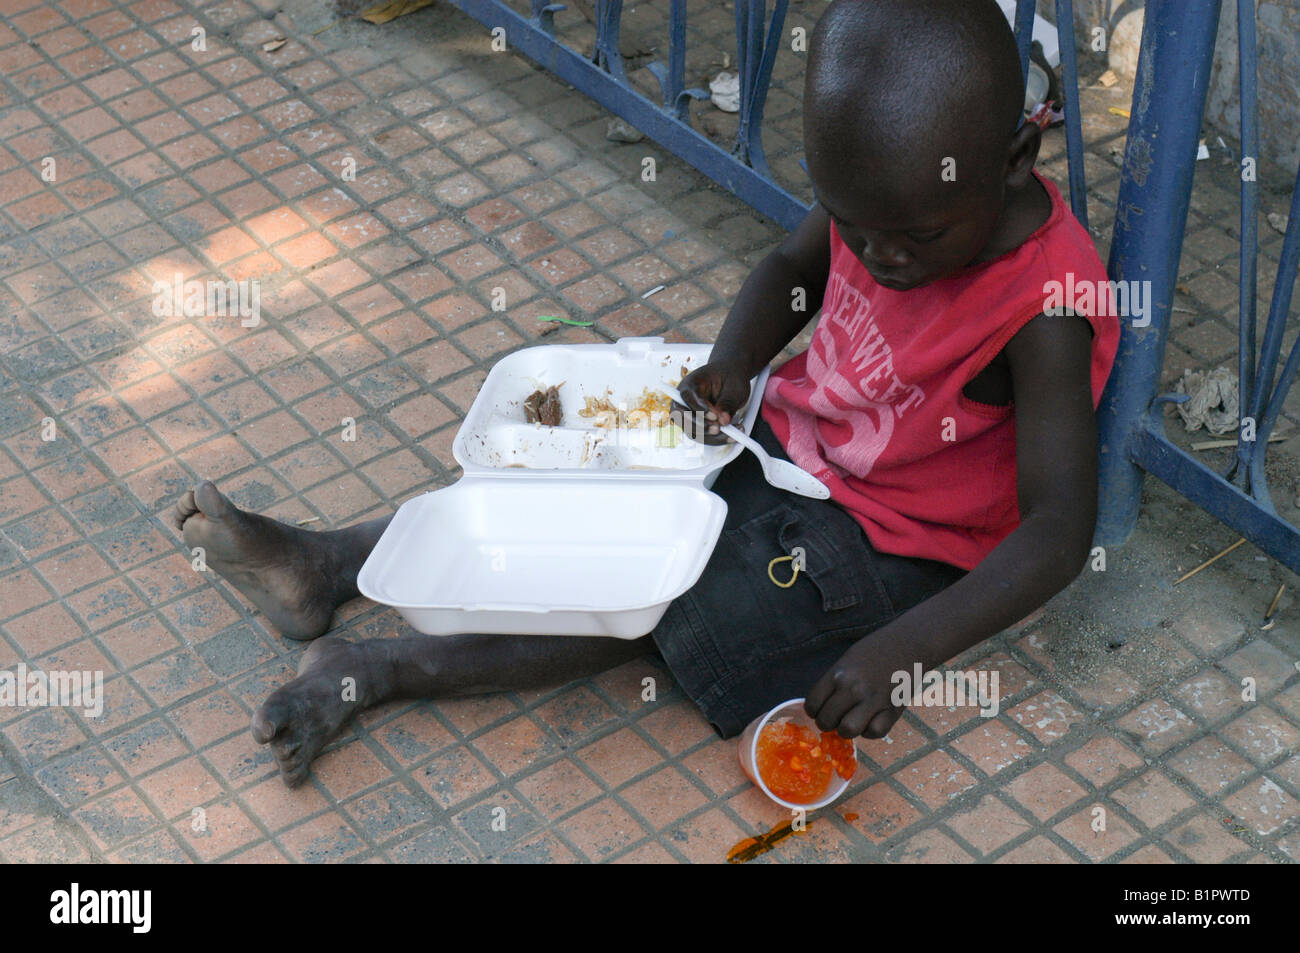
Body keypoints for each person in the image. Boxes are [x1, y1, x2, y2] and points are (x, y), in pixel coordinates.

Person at [171, 0, 1119, 787]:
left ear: (1013, 159)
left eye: (913, 238)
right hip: (786, 444)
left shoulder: (1045, 307)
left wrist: (899, 653)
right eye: (858, 228)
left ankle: (377, 669)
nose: (880, 256)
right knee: (598, 473)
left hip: (887, 544)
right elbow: (794, 266)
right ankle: (331, 565)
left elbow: (1057, 531)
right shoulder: (891, 189)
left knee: (666, 594)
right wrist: (735, 364)